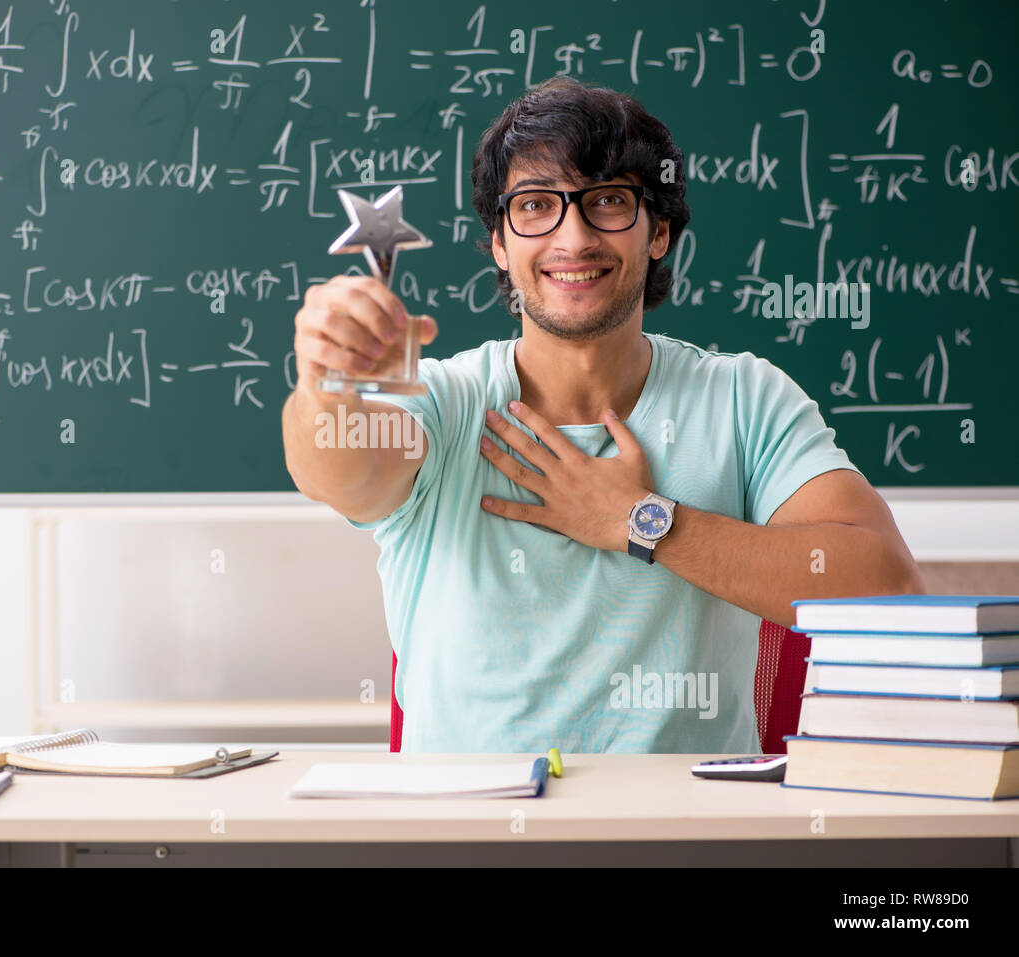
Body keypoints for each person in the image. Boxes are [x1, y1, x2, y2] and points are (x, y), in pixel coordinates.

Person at [281, 77, 924, 753]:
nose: (574, 236)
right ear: (500, 243)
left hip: (682, 834)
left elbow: (887, 585)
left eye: (609, 201)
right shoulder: (443, 401)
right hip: (468, 835)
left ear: (660, 232)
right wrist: (326, 385)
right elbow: (338, 471)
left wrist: (644, 521)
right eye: (536, 206)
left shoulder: (744, 398)